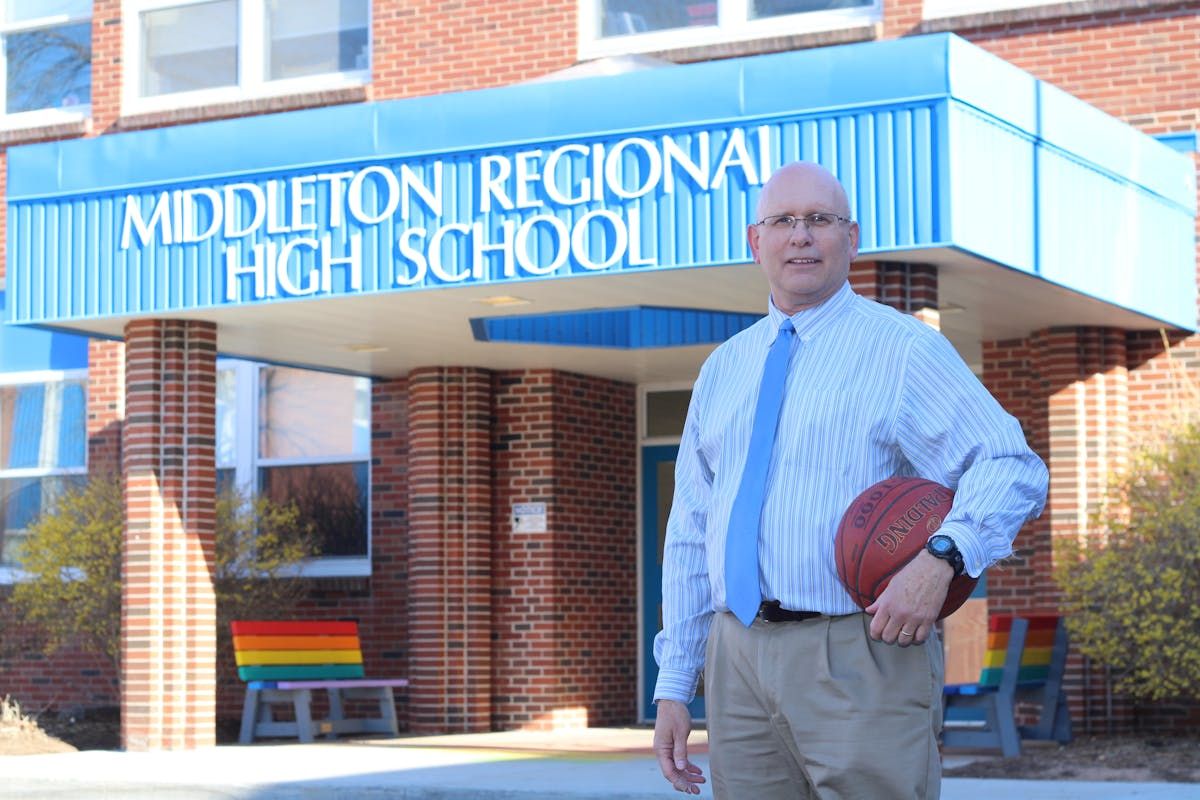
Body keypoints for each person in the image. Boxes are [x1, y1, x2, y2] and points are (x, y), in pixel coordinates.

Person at [651, 161, 1049, 798]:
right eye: (783, 221)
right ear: (755, 241)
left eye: (820, 220)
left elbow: (1009, 464)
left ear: (852, 238)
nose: (801, 236)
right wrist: (675, 684)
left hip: (861, 653)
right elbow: (691, 532)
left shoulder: (901, 350)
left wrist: (942, 559)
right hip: (738, 662)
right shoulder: (724, 369)